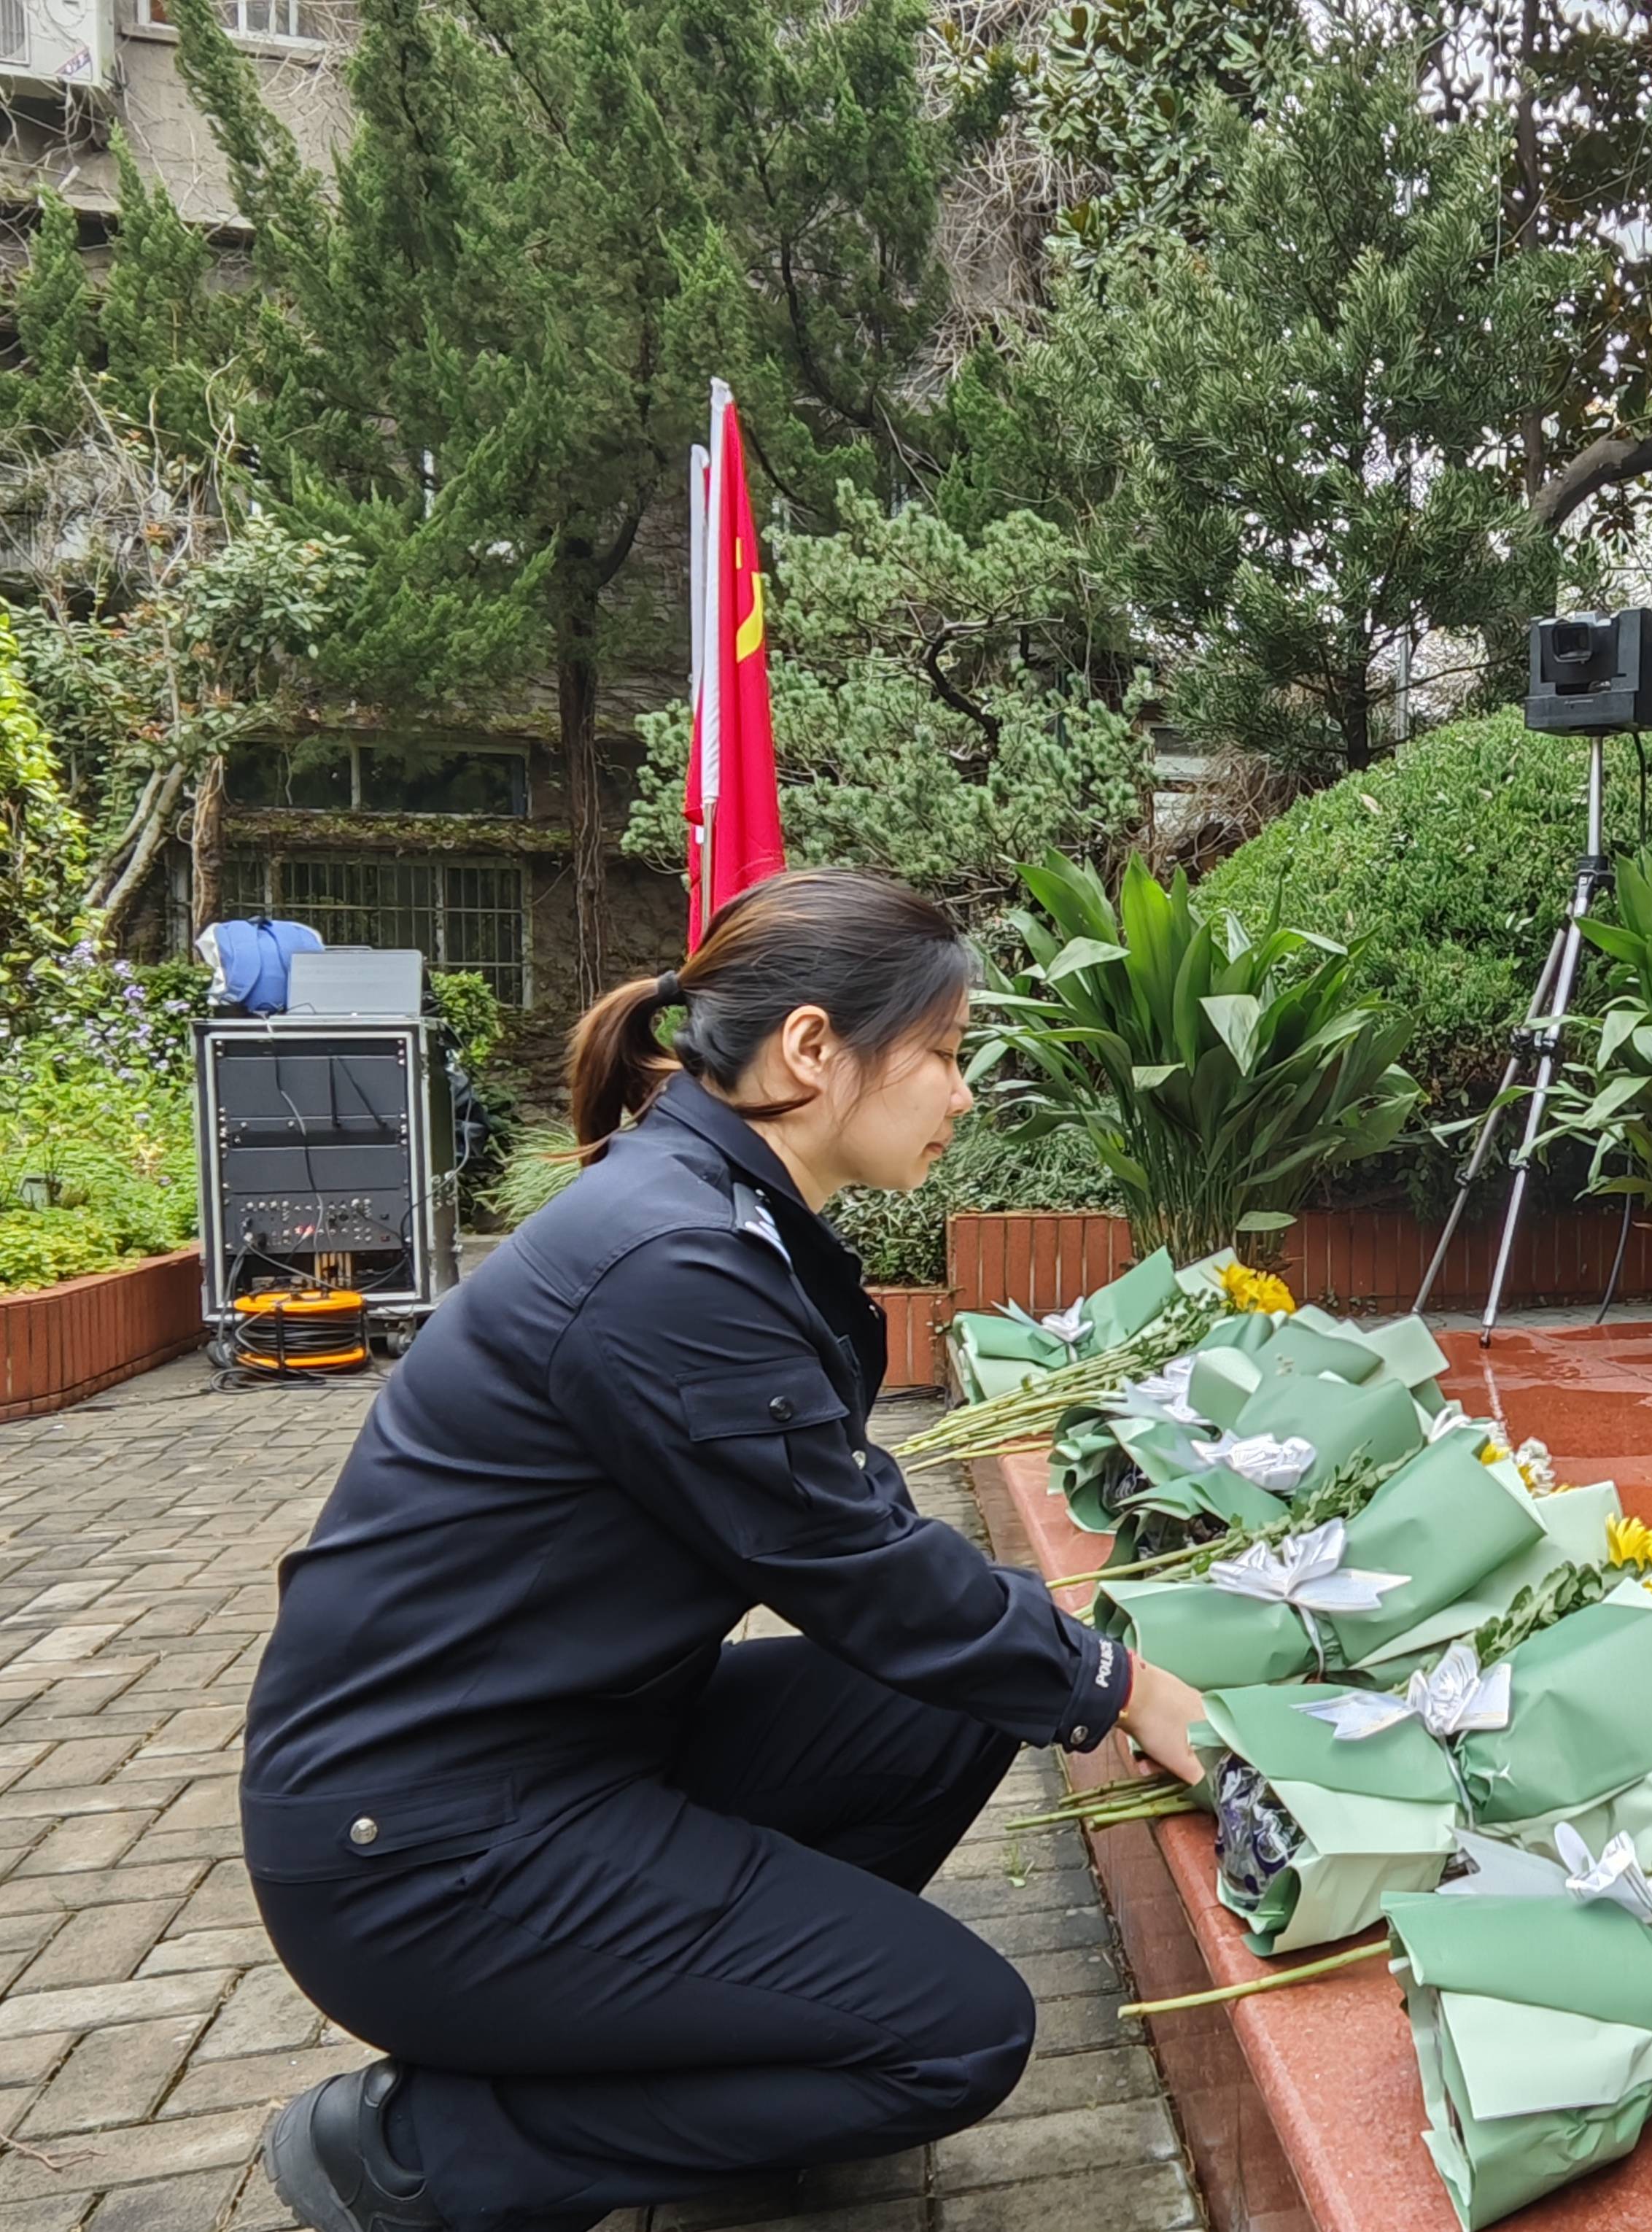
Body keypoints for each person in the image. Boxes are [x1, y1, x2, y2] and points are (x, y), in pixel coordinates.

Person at [241, 869, 1206, 2232]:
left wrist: (1074, 1668)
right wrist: (1130, 1690)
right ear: (814, 1050)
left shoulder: (712, 1210)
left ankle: (726, 2048)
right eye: (944, 1055)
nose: (965, 1093)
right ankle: (430, 2148)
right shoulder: (668, 1262)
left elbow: (868, 1549)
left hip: (552, 1761)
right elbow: (859, 1570)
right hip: (415, 1852)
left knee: (943, 1697)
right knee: (958, 2034)